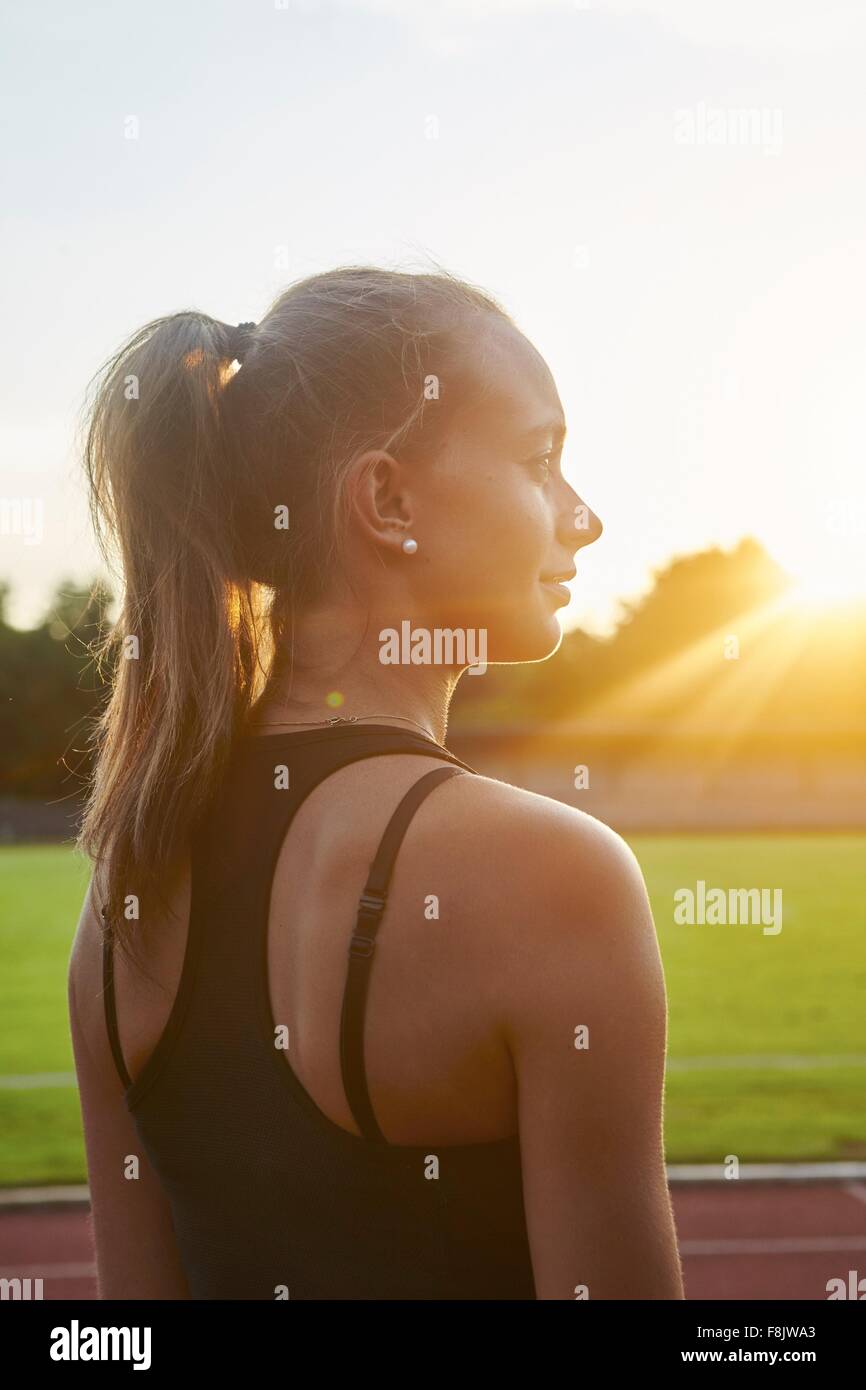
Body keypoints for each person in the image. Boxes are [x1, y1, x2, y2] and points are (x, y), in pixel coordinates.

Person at [68, 264, 684, 1300]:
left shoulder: (126, 893)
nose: (582, 518)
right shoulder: (553, 876)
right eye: (539, 461)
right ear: (387, 499)